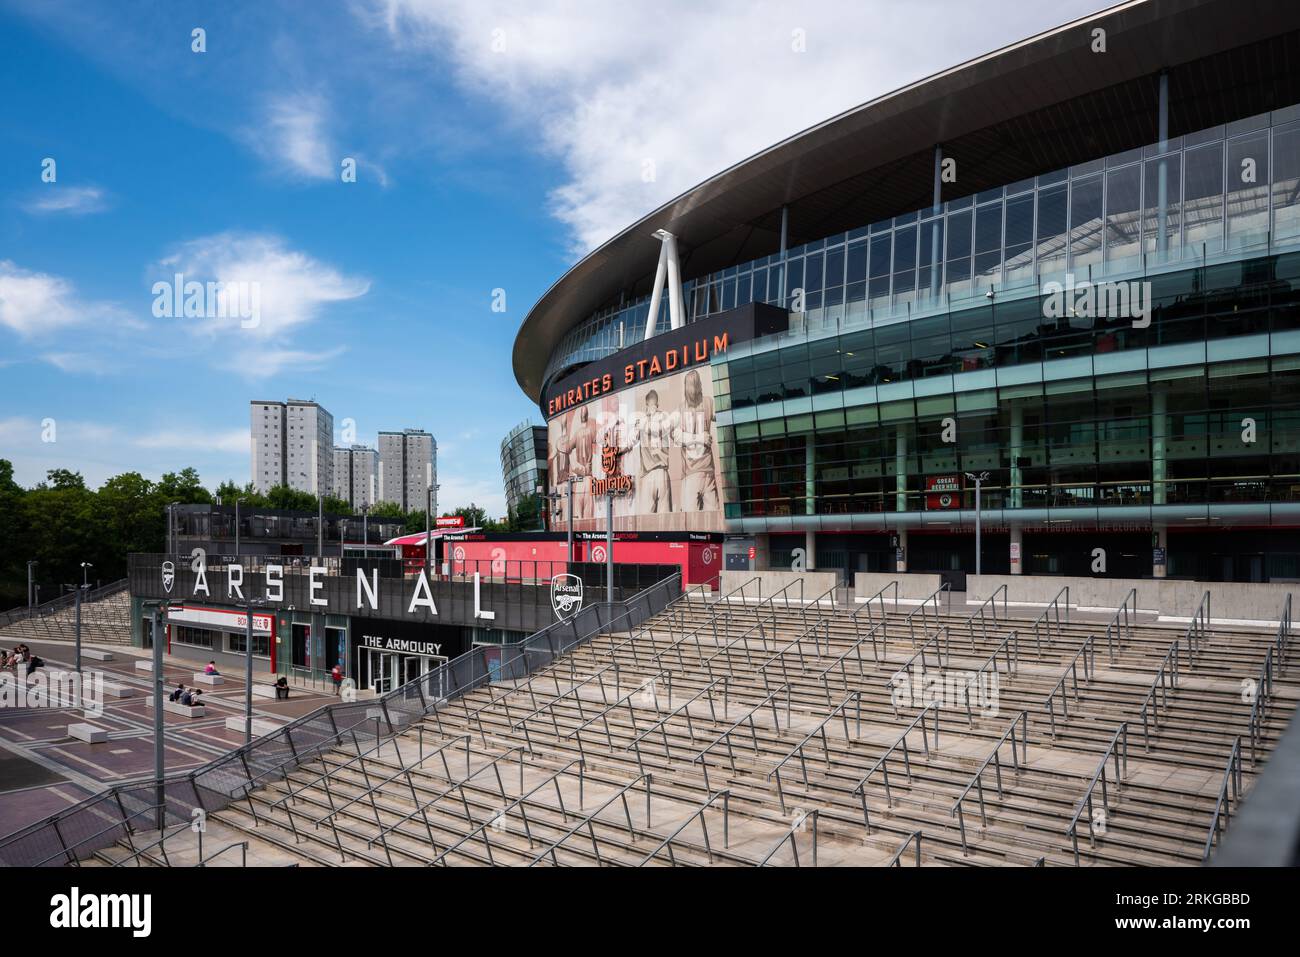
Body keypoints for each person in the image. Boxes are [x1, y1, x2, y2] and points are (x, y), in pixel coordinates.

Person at [676, 368, 720, 513]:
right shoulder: (709, 402)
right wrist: (700, 437)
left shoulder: (681, 409)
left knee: (691, 522)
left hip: (693, 473)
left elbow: (676, 437)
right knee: (712, 519)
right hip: (705, 471)